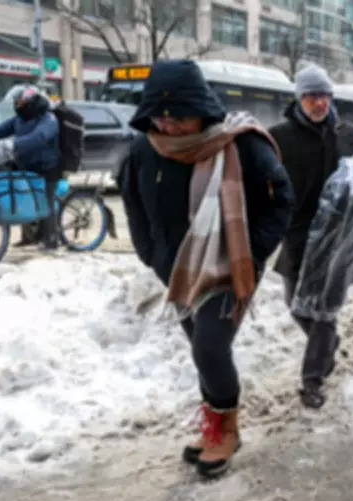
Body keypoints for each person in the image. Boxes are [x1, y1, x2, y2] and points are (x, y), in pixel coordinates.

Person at [119, 60, 294, 479]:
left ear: (201, 109)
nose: (169, 125)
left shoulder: (240, 144)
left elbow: (280, 201)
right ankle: (213, 424)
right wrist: (150, 253)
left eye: (180, 116)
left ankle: (226, 432)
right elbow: (133, 205)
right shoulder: (144, 149)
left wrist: (252, 253)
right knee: (201, 346)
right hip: (176, 269)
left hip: (229, 266)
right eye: (161, 116)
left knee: (210, 347)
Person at [269, 65, 353, 409]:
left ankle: (312, 380)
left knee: (322, 309)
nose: (320, 102)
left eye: (324, 95)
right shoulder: (279, 136)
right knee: (295, 303)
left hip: (337, 232)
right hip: (296, 232)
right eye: (311, 96)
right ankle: (328, 344)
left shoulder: (345, 134)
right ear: (299, 98)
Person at [0, 85, 61, 249]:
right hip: (26, 166)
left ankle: (51, 239)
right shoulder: (20, 119)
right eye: (16, 103)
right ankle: (28, 237)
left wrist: (13, 144)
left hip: (47, 168)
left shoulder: (48, 119)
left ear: (31, 102)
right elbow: (0, 130)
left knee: (45, 203)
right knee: (24, 201)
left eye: (19, 103)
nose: (17, 106)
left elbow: (39, 137)